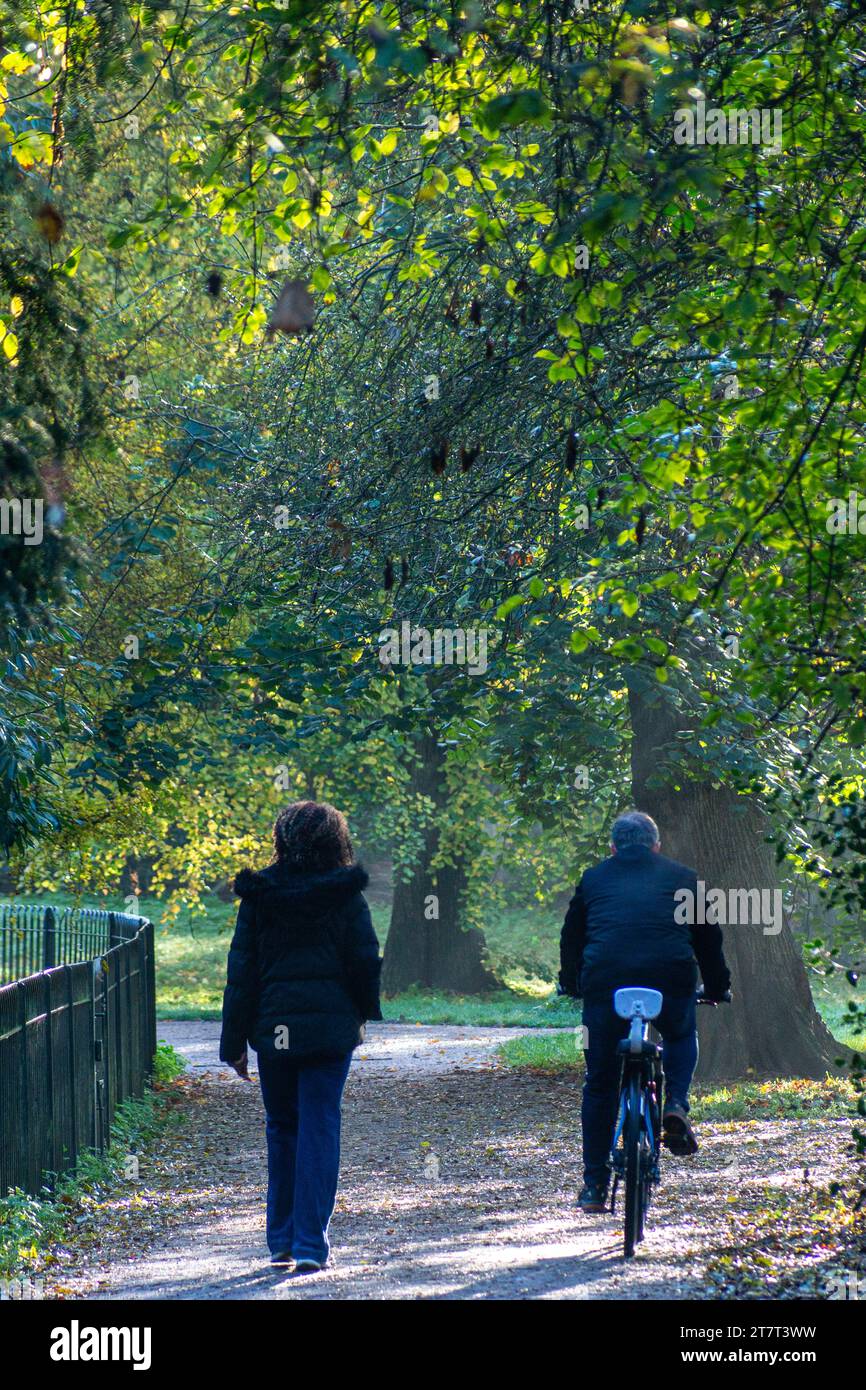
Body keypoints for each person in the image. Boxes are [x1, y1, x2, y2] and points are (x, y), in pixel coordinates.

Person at [219, 800, 382, 1272]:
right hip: (330, 1032)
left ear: (282, 838)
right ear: (336, 839)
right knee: (320, 1125)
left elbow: (242, 973)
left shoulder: (260, 896)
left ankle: (282, 1241)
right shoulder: (346, 896)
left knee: (282, 1128)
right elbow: (364, 961)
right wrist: (361, 1013)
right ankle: (312, 1241)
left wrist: (233, 1044)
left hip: (276, 1032)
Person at [559, 810, 731, 1214]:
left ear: (613, 846)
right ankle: (675, 1103)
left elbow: (572, 937)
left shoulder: (593, 878)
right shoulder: (685, 878)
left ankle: (594, 1185)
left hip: (606, 982)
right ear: (657, 845)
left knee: (600, 1084)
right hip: (670, 978)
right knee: (678, 1032)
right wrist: (718, 987)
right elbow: (709, 940)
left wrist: (572, 982)